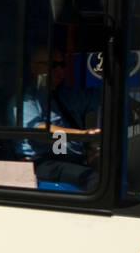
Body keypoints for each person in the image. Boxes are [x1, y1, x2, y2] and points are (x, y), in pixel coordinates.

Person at [11, 45, 101, 191]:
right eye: (53, 65)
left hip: (70, 159)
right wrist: (83, 134)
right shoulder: (25, 100)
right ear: (34, 68)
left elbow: (106, 99)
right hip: (41, 162)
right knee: (96, 180)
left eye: (62, 65)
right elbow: (39, 130)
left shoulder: (69, 95)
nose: (59, 70)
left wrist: (138, 107)